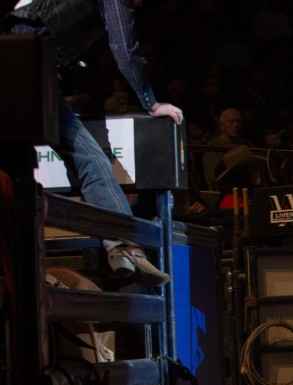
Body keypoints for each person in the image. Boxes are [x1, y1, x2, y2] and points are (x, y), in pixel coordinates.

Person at [4, 0, 183, 286]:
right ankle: (123, 246)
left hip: (24, 63)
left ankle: (122, 246)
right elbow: (124, 47)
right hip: (24, 67)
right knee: (89, 161)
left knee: (79, 161)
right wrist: (150, 102)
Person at [202, 107, 254, 186]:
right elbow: (214, 176)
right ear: (222, 126)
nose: (236, 125)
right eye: (231, 121)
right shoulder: (213, 146)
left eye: (239, 122)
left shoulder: (247, 143)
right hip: (226, 188)